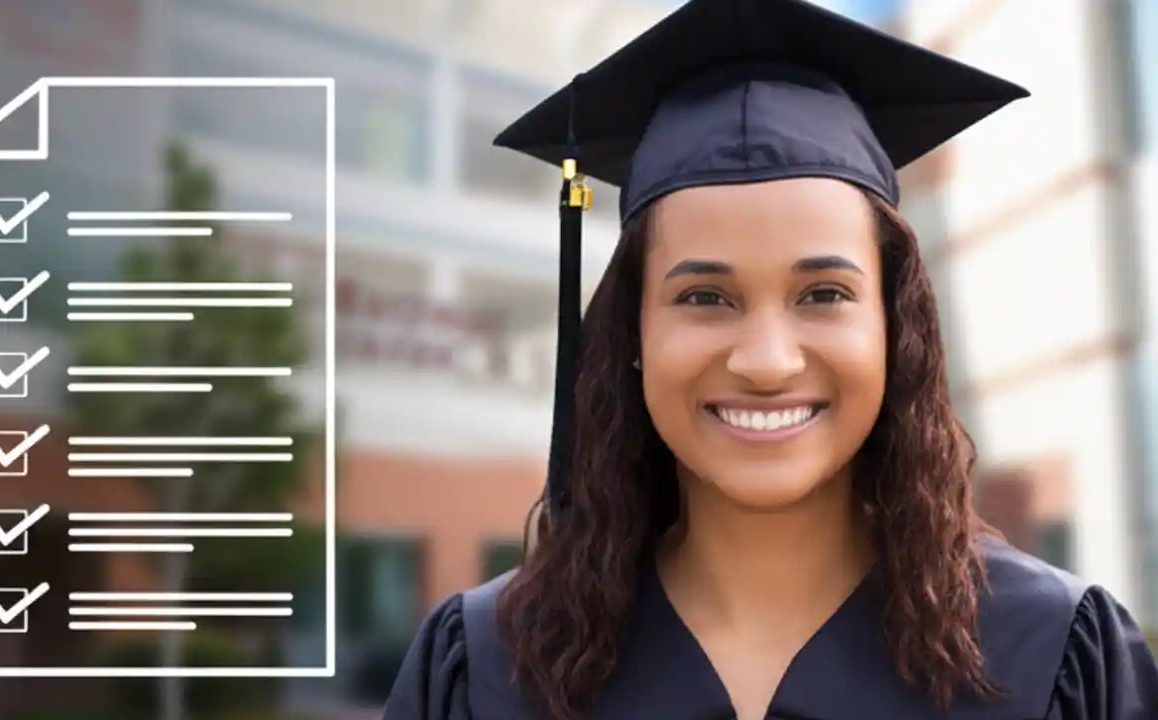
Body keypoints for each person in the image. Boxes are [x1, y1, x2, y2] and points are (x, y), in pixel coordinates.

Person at [383, 0, 1158, 718]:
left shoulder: (1048, 651)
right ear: (630, 339)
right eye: (704, 298)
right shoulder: (489, 667)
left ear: (896, 327)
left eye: (822, 293)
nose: (766, 359)